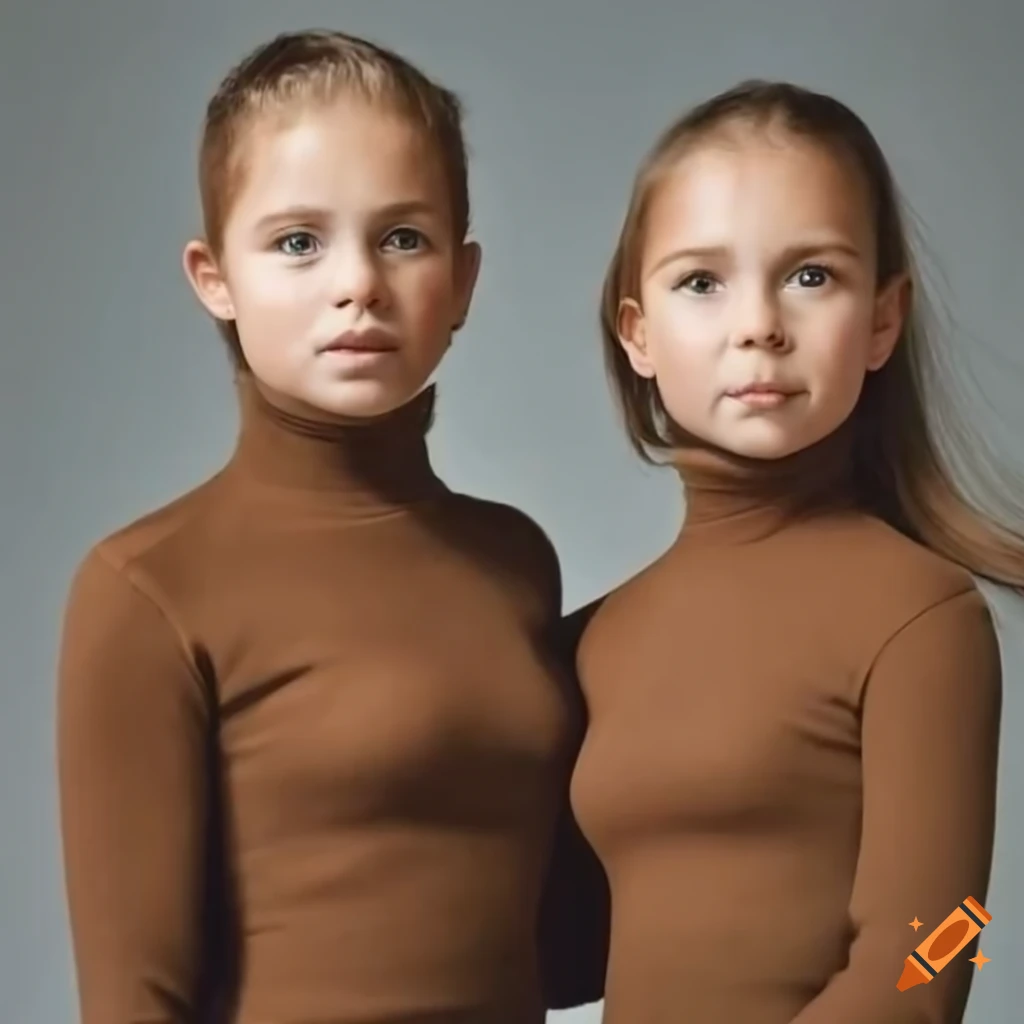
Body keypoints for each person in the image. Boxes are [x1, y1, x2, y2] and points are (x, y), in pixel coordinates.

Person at [56, 29, 606, 1024]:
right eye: (297, 241)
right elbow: (134, 1000)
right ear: (214, 275)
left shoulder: (515, 561)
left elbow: (547, 936)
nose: (357, 282)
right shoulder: (146, 588)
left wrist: (907, 946)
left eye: (403, 237)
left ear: (464, 282)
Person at [569, 79, 1023, 1023]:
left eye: (810, 275)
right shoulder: (596, 639)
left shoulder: (921, 616)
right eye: (703, 281)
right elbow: (536, 953)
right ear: (638, 333)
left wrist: (930, 971)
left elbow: (951, 933)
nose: (759, 325)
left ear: (883, 320)